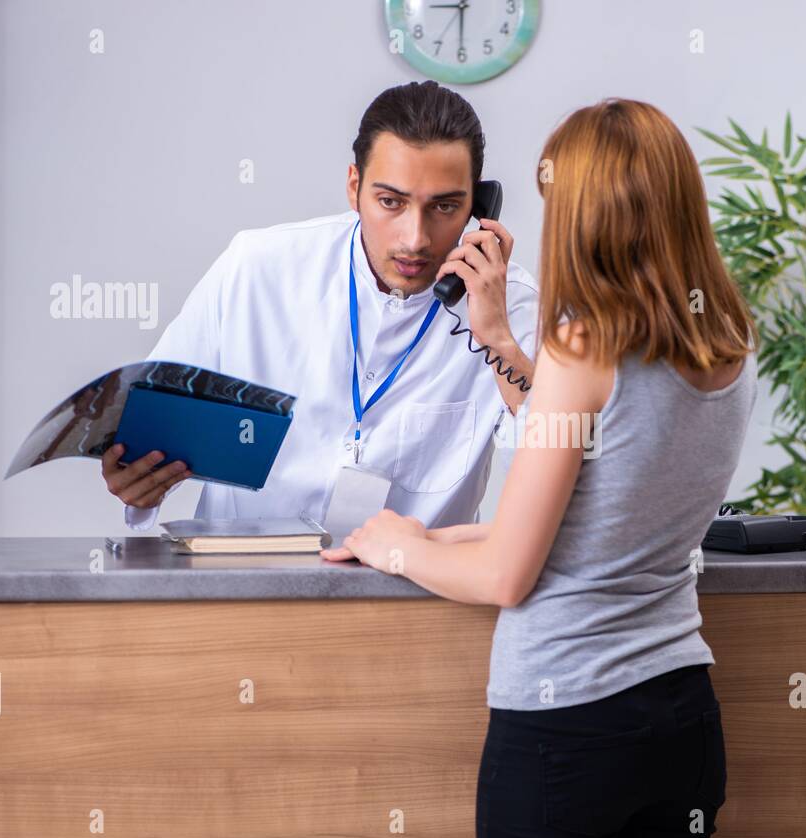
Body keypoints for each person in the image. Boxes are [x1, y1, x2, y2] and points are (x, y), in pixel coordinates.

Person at [321, 98, 758, 838]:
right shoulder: (724, 339)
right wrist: (496, 338)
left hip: (569, 729)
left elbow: (506, 575)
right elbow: (597, 484)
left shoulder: (583, 346)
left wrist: (397, 546)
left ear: (585, 214)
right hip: (682, 714)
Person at [100, 81, 539, 533]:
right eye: (390, 202)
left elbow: (558, 479)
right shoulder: (256, 268)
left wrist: (499, 341)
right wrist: (136, 475)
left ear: (479, 209)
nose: (415, 239)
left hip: (414, 594)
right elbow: (154, 418)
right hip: (242, 584)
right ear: (355, 188)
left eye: (445, 207)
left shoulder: (512, 305)